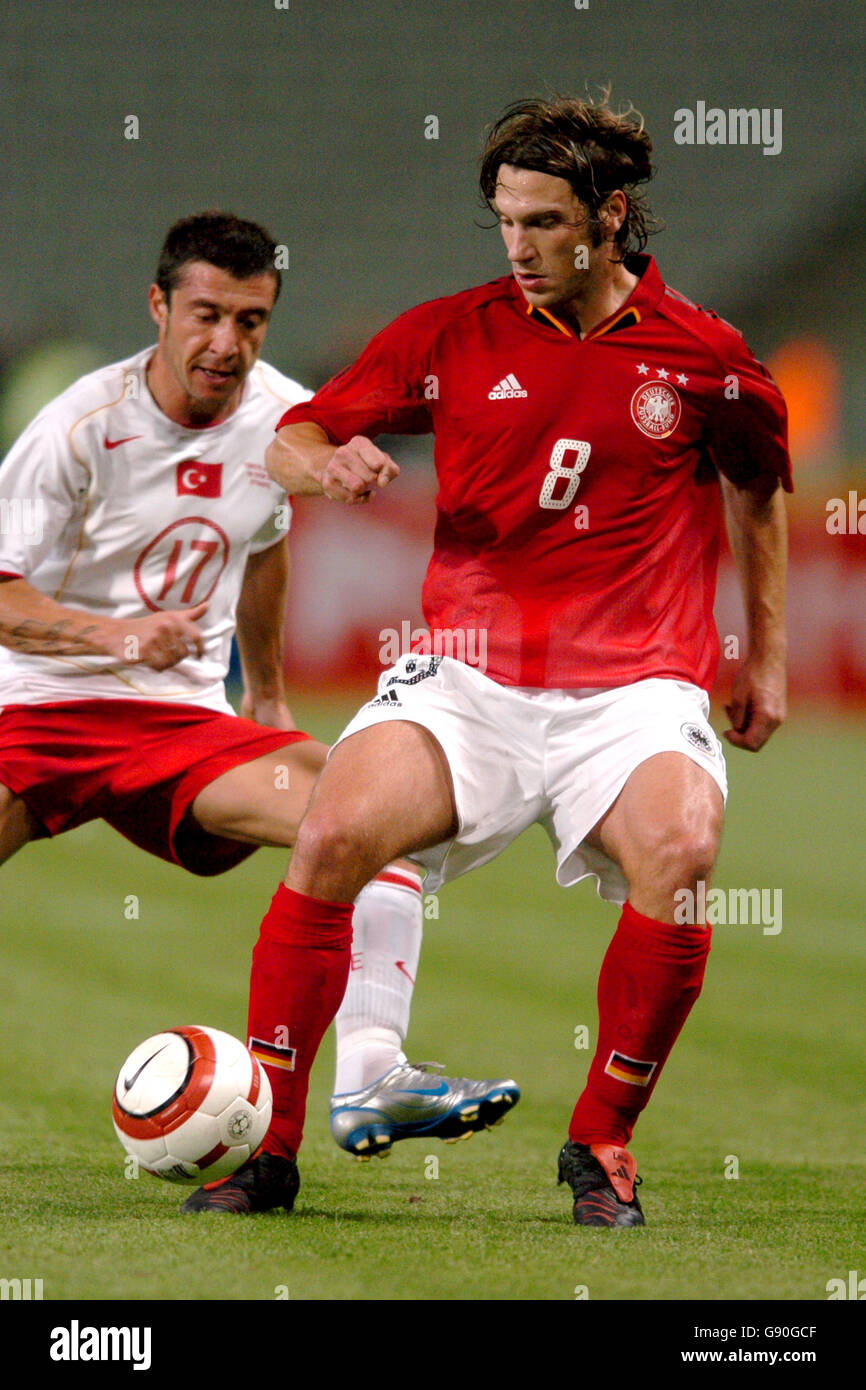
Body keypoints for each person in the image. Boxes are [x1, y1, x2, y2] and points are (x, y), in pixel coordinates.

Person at [221, 94, 792, 1227]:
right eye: (503, 222)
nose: (519, 248)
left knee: (678, 853)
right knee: (333, 827)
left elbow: (753, 485)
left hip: (634, 690)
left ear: (610, 216)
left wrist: (762, 655)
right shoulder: (450, 334)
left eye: (542, 222)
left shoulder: (703, 357)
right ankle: (268, 1151)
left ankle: (599, 1145)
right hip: (469, 678)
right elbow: (288, 437)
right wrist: (323, 469)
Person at [0, 211, 519, 1216]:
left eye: (251, 319)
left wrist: (268, 691)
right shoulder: (76, 424)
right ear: (159, 309)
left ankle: (366, 1073)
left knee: (362, 814)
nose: (225, 343)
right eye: (205, 315)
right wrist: (113, 640)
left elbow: (268, 539)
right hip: (38, 714)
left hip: (182, 726)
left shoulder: (281, 415)